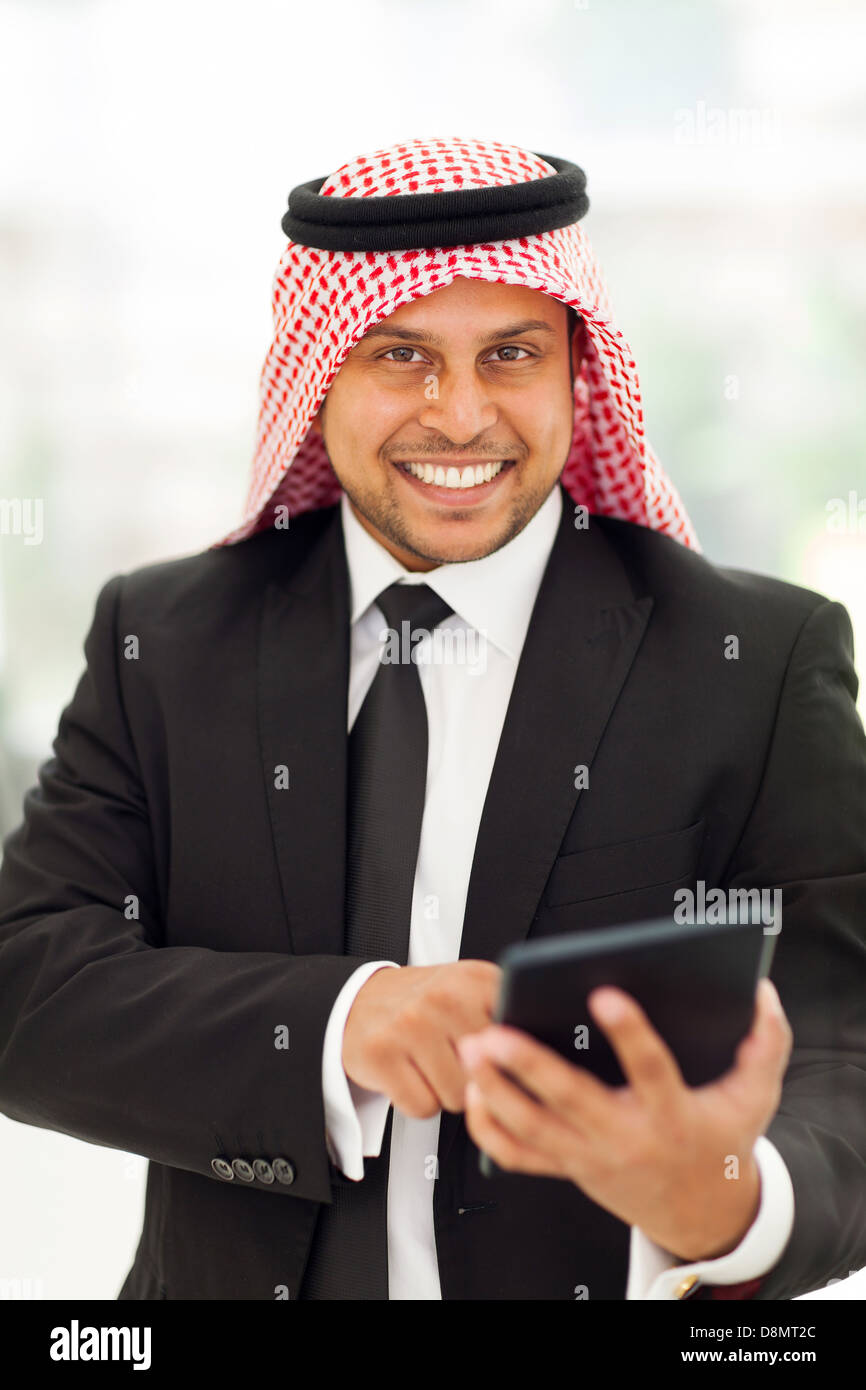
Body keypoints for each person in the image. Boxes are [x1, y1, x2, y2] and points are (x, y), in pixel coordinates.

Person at [0, 136, 863, 1302]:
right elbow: (28, 982)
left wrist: (723, 1194)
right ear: (319, 377)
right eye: (397, 354)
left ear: (575, 372)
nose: (457, 418)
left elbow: (845, 1049)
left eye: (509, 354)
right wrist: (344, 1022)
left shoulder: (754, 664)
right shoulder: (163, 643)